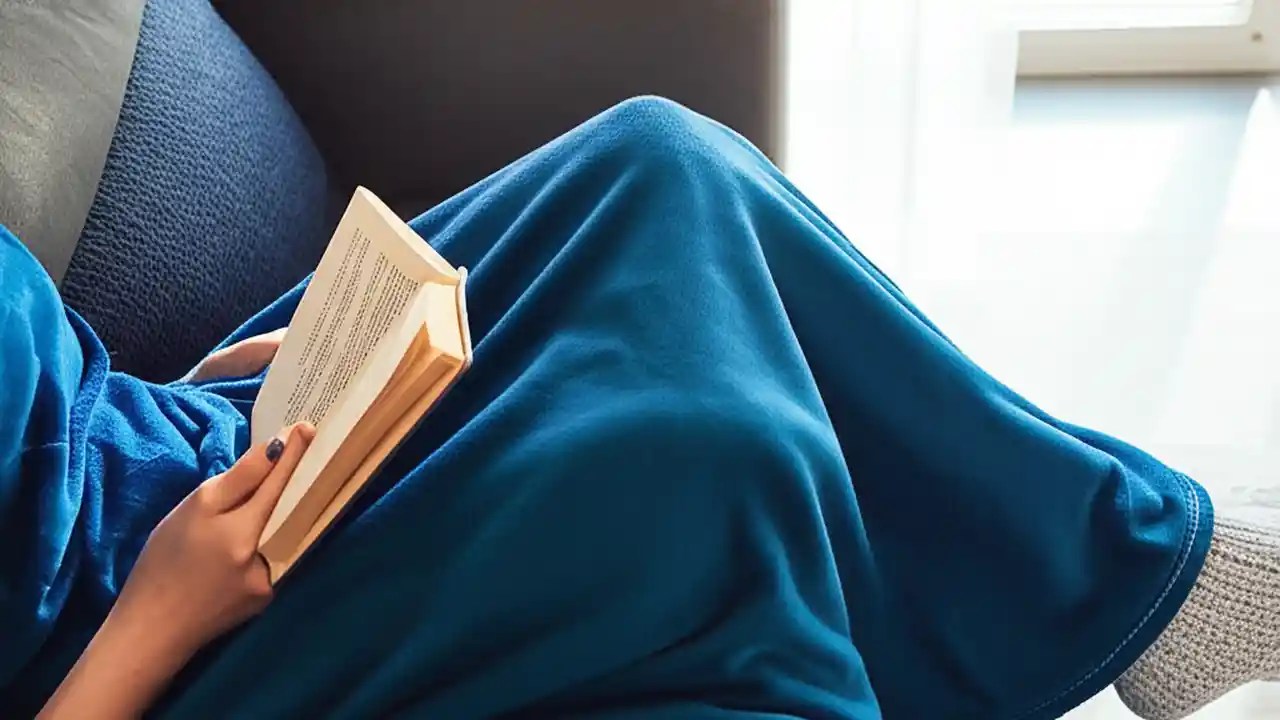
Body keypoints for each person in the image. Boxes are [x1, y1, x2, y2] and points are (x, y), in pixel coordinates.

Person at [0, 96, 1272, 720]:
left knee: (660, 161)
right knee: (697, 451)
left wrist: (224, 378)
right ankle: (1138, 573)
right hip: (168, 630)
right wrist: (166, 607)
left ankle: (1141, 561)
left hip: (201, 437)